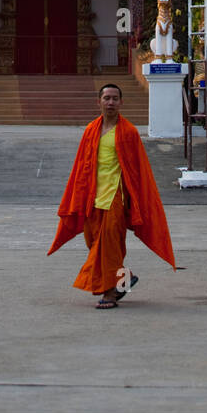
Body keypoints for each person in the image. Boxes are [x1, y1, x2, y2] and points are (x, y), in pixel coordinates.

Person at [48, 83, 176, 308]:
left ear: (121, 103)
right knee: (95, 243)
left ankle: (109, 294)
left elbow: (138, 170)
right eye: (106, 98)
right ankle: (126, 278)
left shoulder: (128, 132)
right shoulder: (91, 130)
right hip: (92, 197)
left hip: (115, 197)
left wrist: (136, 201)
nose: (110, 102)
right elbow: (81, 166)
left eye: (115, 98)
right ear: (98, 102)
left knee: (107, 247)